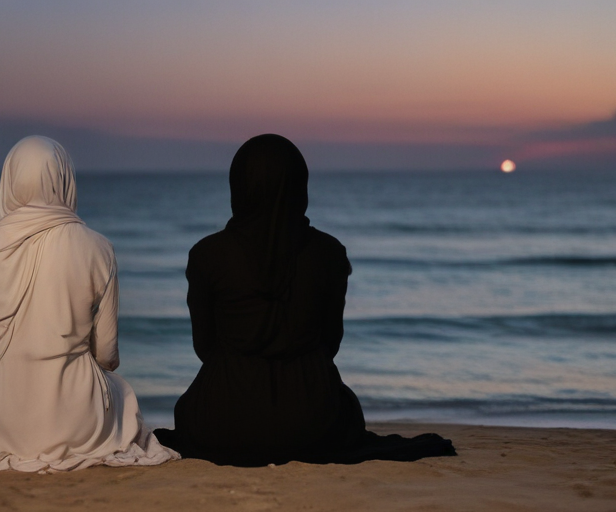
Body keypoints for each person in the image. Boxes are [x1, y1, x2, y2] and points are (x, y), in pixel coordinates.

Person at [154, 134, 455, 467]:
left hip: (225, 422)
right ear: (300, 186)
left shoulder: (207, 255)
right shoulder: (329, 253)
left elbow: (204, 347)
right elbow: (331, 342)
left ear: (237, 186)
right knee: (345, 411)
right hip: (313, 422)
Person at [0, 136, 178, 472]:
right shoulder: (99, 248)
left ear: (10, 179)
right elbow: (108, 356)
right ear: (65, 179)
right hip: (74, 420)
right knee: (120, 393)